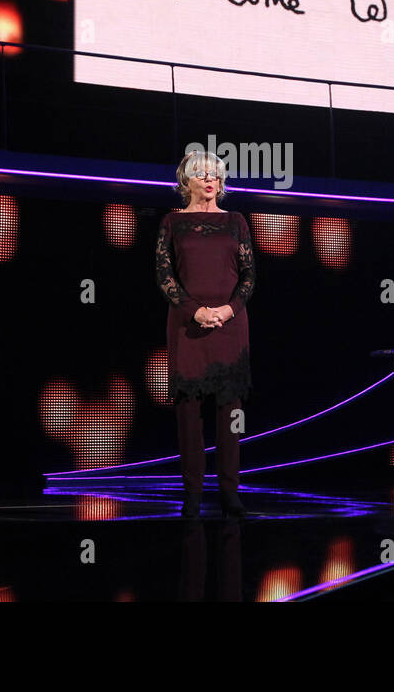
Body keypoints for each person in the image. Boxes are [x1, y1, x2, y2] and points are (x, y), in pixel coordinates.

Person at [155, 149, 255, 519]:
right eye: (202, 175)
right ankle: (193, 493)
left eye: (215, 174)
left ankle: (230, 491)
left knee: (231, 412)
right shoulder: (172, 222)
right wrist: (194, 310)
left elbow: (248, 276)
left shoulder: (236, 221)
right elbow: (164, 276)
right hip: (186, 323)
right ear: (187, 181)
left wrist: (227, 310)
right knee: (189, 412)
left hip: (231, 323)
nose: (210, 180)